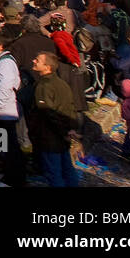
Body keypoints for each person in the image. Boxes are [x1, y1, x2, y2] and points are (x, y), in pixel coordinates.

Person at [30, 52, 80, 187]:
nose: (34, 61)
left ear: (47, 67)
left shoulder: (44, 86)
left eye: (38, 60)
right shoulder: (61, 84)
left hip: (50, 136)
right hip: (62, 135)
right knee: (67, 169)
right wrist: (70, 129)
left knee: (53, 173)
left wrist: (63, 131)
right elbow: (70, 108)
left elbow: (47, 112)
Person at [0, 31, 24, 187]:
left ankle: (9, 177)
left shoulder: (5, 63)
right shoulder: (2, 61)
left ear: (0, 45)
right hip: (2, 112)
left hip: (3, 114)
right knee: (4, 146)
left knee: (4, 148)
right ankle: (7, 174)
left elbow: (5, 87)